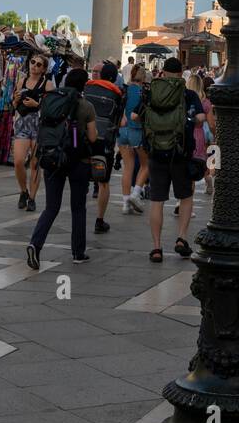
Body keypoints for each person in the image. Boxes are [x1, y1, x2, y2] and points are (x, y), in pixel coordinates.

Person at [26, 67, 98, 268]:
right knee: (78, 208)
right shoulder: (86, 106)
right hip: (77, 160)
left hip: (52, 157)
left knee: (51, 207)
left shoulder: (50, 100)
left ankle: (35, 244)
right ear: (84, 85)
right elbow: (92, 137)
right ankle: (78, 252)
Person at [144, 57, 203, 263]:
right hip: (180, 153)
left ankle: (156, 247)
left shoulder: (151, 92)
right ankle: (181, 239)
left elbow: (135, 117)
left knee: (157, 201)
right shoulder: (188, 94)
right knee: (185, 197)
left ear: (163, 73)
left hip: (156, 153)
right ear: (181, 74)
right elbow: (201, 119)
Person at [83, 60, 124, 233]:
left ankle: (79, 213)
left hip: (83, 140)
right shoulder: (118, 94)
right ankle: (100, 220)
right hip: (105, 143)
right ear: (114, 77)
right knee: (104, 183)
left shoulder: (87, 89)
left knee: (81, 177)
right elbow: (122, 122)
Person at [12, 53, 54, 212]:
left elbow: (51, 109)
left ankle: (32, 198)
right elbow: (16, 105)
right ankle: (23, 191)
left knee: (36, 164)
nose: (34, 66)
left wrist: (37, 104)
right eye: (32, 62)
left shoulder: (48, 85)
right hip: (23, 123)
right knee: (18, 161)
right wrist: (15, 100)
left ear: (43, 69)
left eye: (38, 64)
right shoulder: (21, 81)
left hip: (39, 126)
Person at [118, 63, 148, 214]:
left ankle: (125, 203)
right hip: (137, 131)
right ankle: (136, 193)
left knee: (127, 167)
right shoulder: (144, 92)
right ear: (143, 77)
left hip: (122, 131)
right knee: (145, 165)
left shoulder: (125, 90)